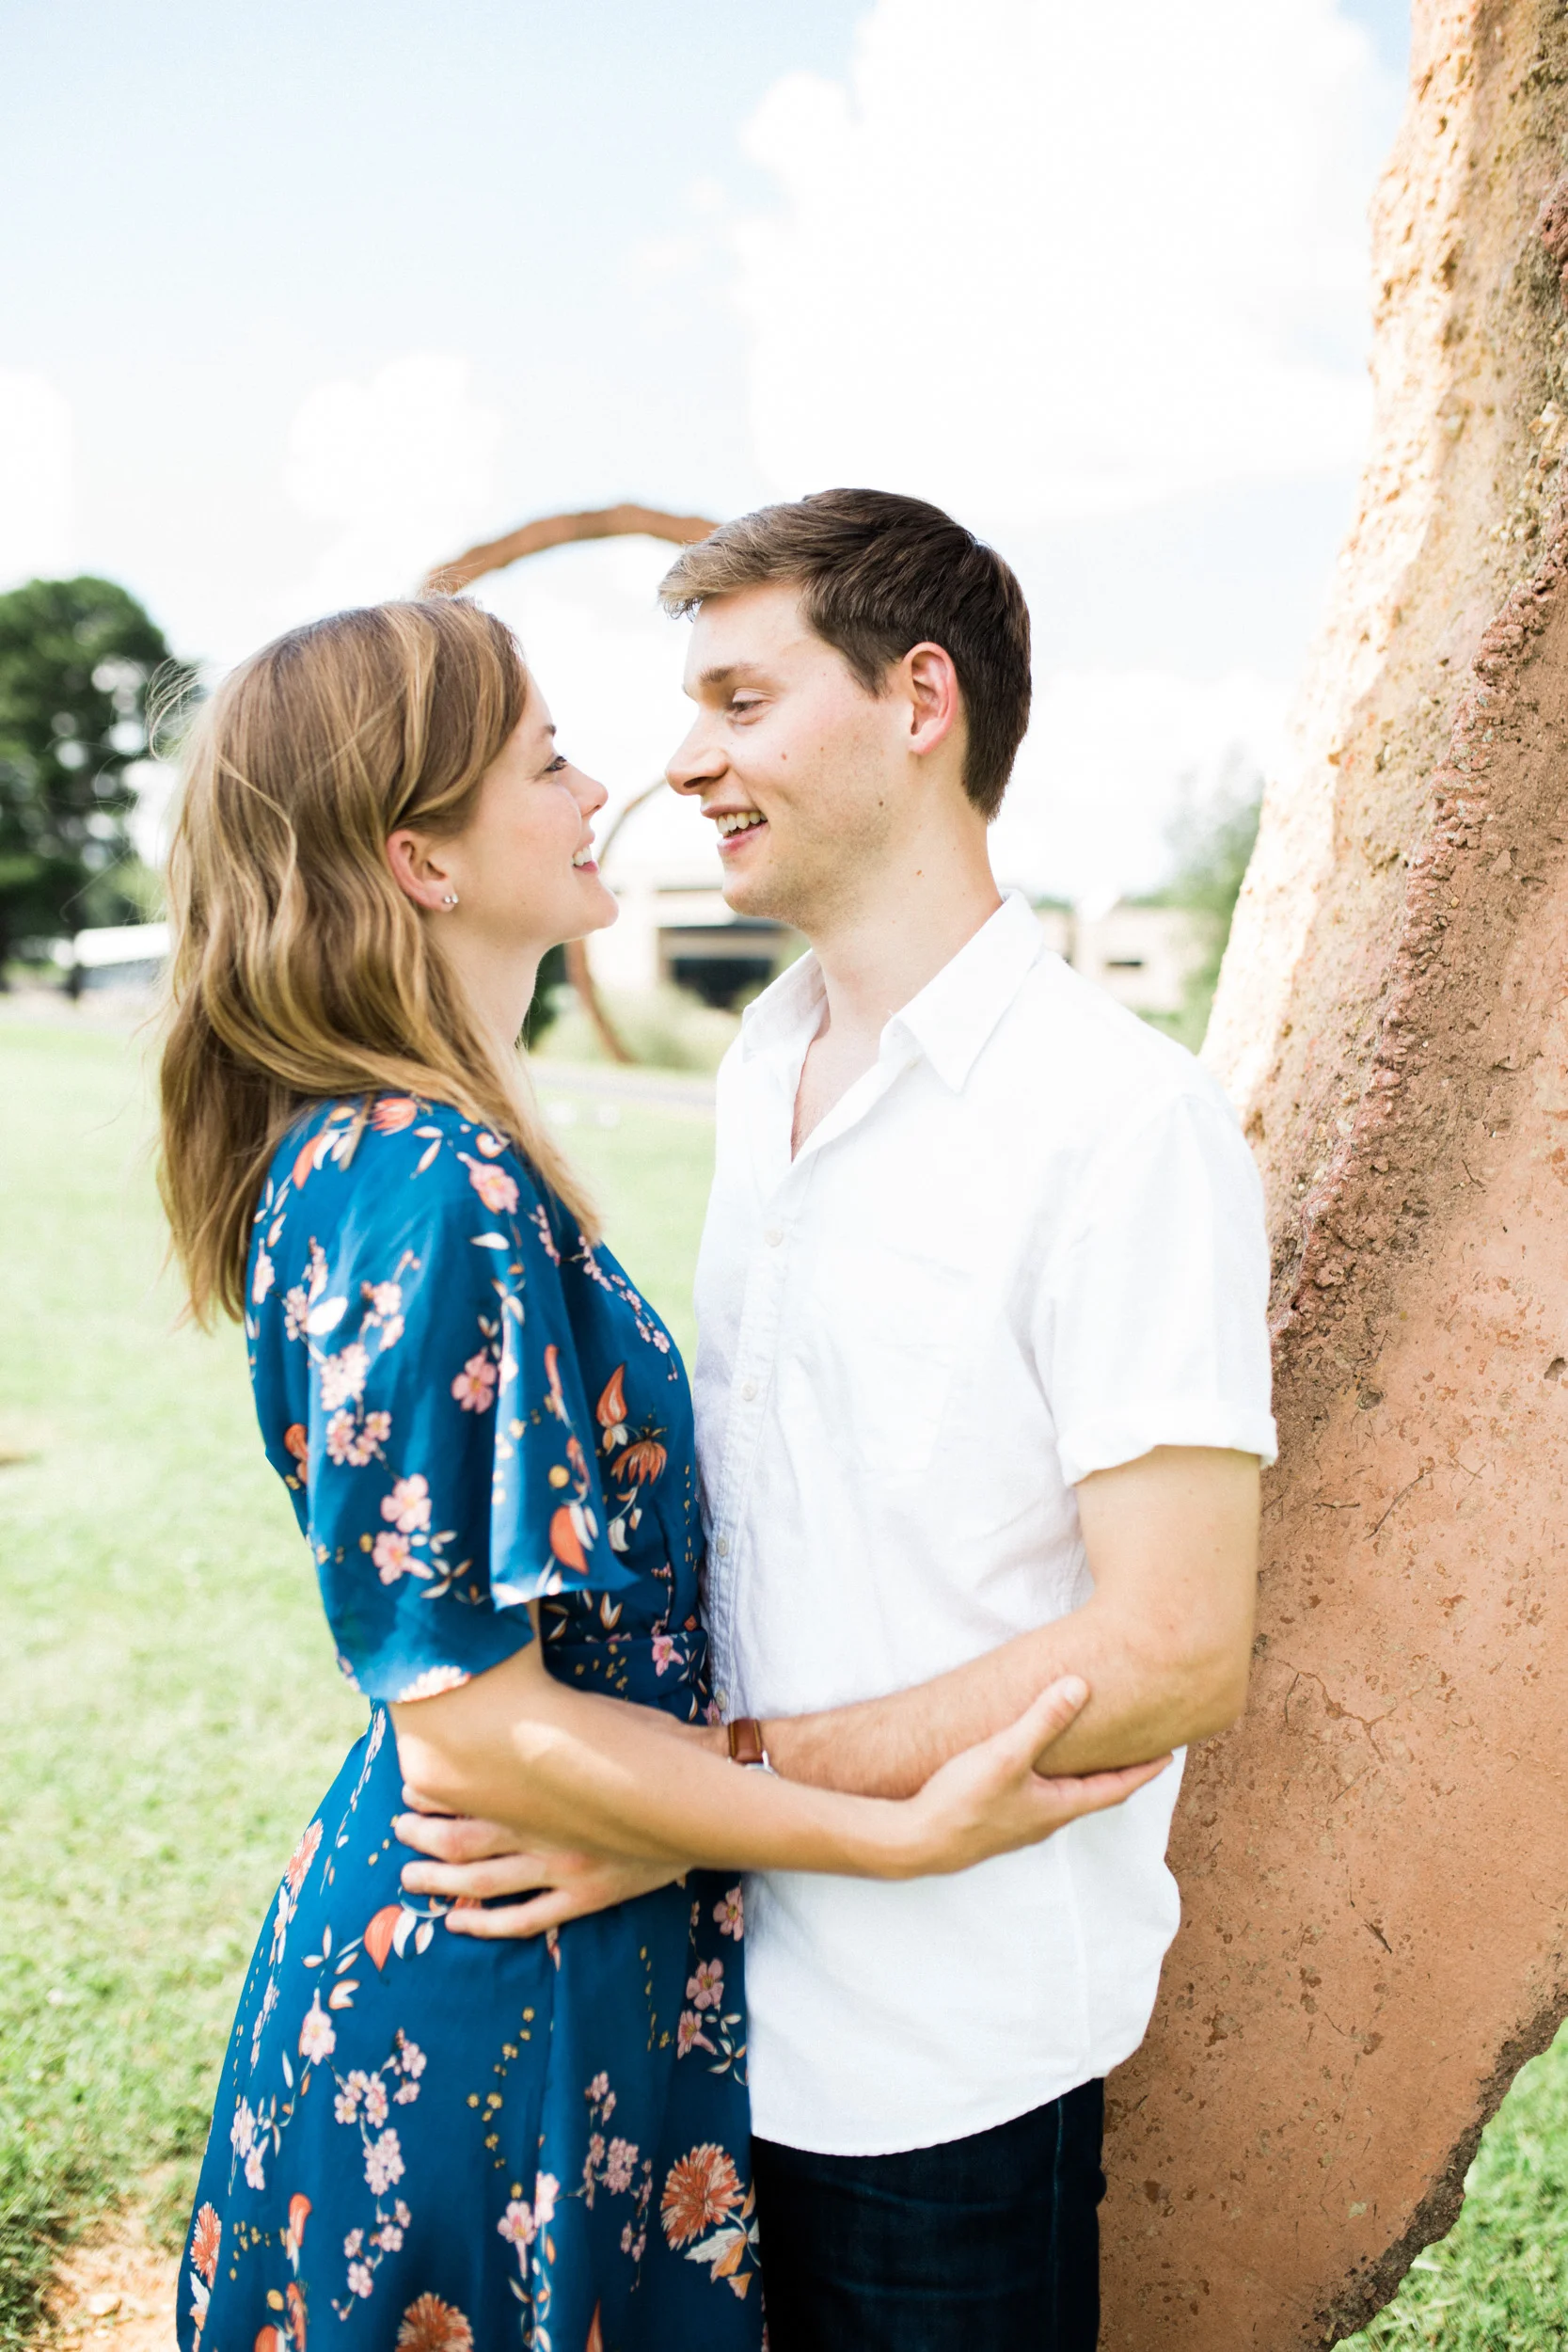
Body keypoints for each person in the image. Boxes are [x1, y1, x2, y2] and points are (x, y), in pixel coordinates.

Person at [156, 596, 1164, 2352]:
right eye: (545, 763)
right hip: (492, 2006)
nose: (600, 790)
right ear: (421, 862)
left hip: (548, 1943)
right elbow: (468, 1732)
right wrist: (893, 1836)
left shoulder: (394, 1154)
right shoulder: (430, 1182)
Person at [395, 492, 1276, 2350]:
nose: (682, 762)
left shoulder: (1120, 1122)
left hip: (935, 2062)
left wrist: (721, 1794)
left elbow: (1172, 1648)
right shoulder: (761, 1058)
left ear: (917, 699)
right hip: (695, 2012)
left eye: (739, 700)